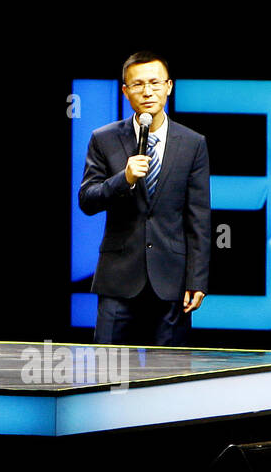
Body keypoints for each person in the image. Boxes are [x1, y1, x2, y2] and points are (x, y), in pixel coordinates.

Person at [78, 51, 211, 346]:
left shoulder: (192, 143)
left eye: (154, 82)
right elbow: (87, 200)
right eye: (138, 85)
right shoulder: (104, 138)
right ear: (126, 92)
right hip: (118, 279)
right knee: (108, 375)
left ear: (169, 86)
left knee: (168, 377)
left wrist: (197, 279)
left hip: (171, 282)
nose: (147, 91)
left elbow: (198, 217)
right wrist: (122, 179)